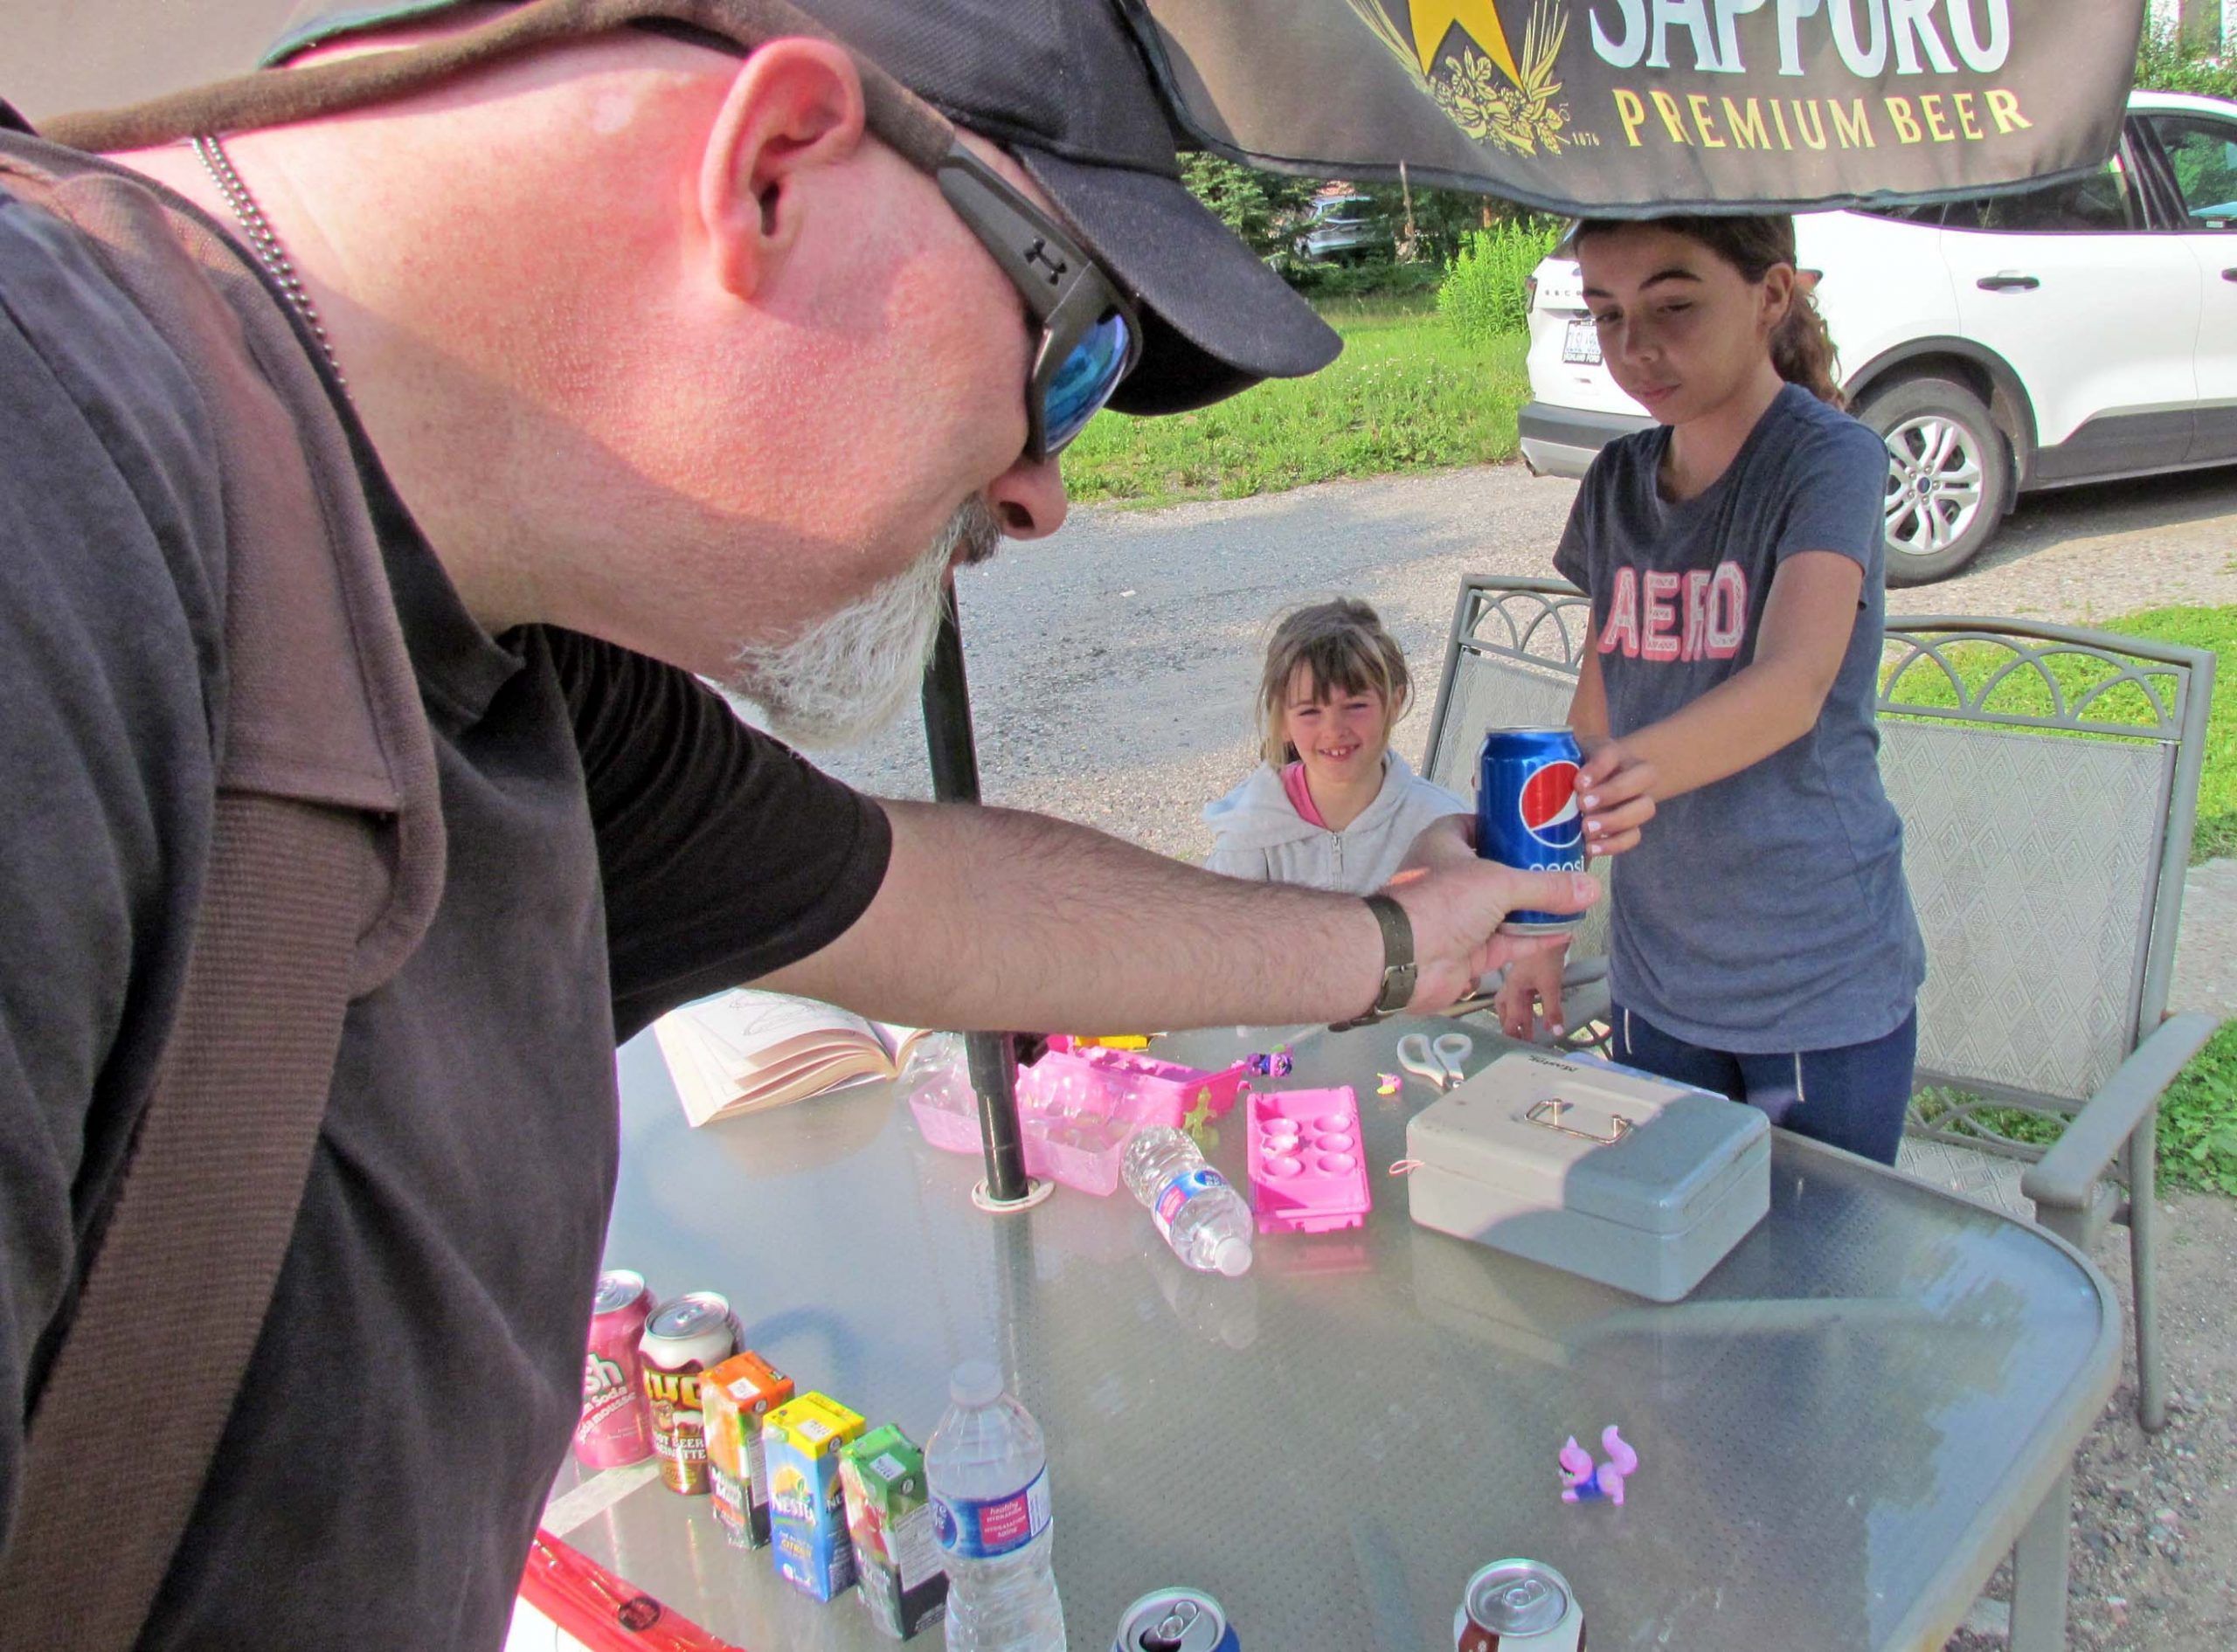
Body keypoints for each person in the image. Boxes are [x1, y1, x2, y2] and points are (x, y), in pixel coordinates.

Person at [0, 2, 1595, 1645]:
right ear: (778, 171)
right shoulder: (50, 472)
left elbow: (936, 903)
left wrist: (1399, 938)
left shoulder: (507, 642)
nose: (1048, 488)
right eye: (1077, 355)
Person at [1478, 214, 1925, 1164]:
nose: (1634, 347)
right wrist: (1549, 916)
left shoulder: (1827, 459)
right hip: (1660, 974)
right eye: (1603, 315)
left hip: (1816, 977)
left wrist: (1625, 776)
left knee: (1812, 1281)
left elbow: (1794, 681)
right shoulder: (1614, 481)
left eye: (1673, 305)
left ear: (1770, 296)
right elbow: (1592, 713)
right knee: (1670, 1252)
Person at [1203, 598, 1469, 892]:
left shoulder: (1441, 822)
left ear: (1394, 704)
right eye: (1309, 712)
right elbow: (1218, 931)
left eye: (1355, 706)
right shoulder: (1249, 829)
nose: (1333, 729)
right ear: (1282, 723)